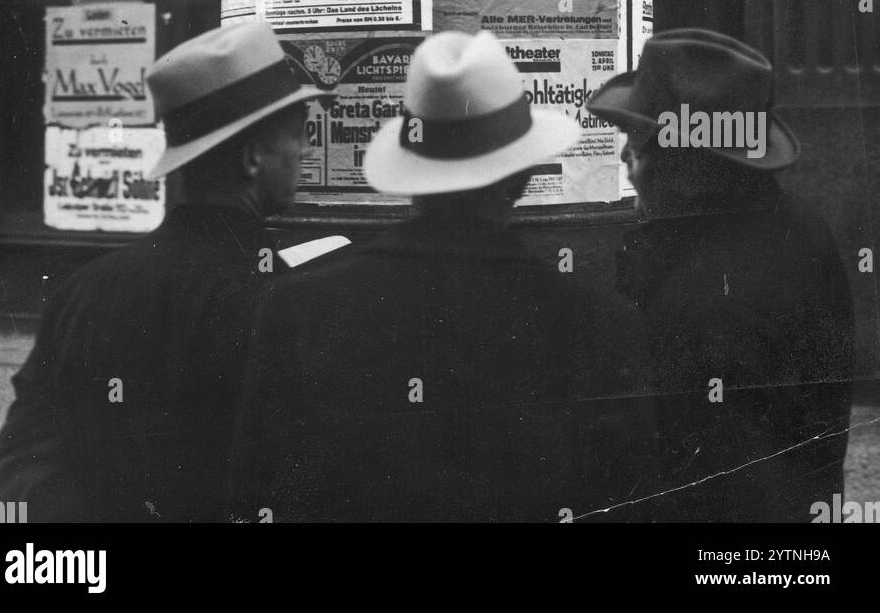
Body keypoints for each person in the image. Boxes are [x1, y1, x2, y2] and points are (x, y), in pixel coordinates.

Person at [229, 30, 658, 524]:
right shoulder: (602, 322)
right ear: (524, 175)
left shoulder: (298, 308)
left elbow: (256, 492)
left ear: (412, 170)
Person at [0, 22, 318, 523]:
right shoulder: (282, 297)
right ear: (252, 158)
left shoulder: (87, 288)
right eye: (298, 135)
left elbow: (22, 463)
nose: (305, 152)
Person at [587, 27, 855, 523]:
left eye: (638, 140)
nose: (625, 155)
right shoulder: (798, 225)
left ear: (684, 167)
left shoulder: (704, 298)